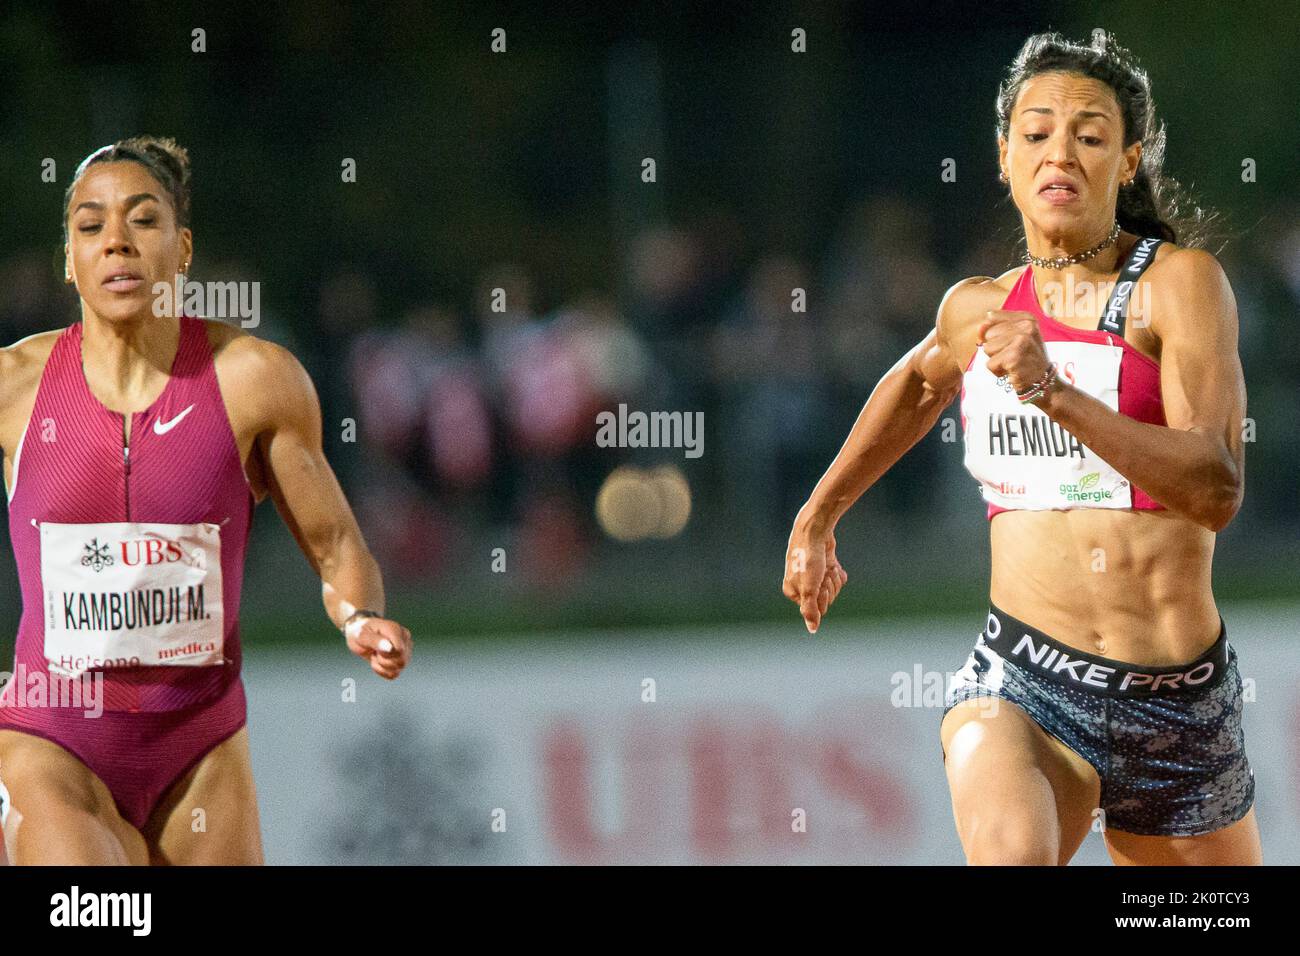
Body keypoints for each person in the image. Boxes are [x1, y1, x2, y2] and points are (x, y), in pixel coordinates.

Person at [782, 31, 1260, 865]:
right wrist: (819, 516)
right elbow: (920, 382)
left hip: (1179, 708)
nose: (1060, 152)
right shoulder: (980, 308)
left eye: (1090, 134)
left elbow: (1214, 487)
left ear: (1129, 160)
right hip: (1024, 683)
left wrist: (1054, 394)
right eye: (1035, 133)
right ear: (1003, 158)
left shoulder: (1176, 287)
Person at [0, 136, 413, 865]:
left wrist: (361, 614)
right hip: (55, 740)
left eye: (142, 221)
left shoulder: (256, 380)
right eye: (91, 227)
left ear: (182, 248)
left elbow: (339, 547)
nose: (117, 244)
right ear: (68, 259)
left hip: (201, 749)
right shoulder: (15, 387)